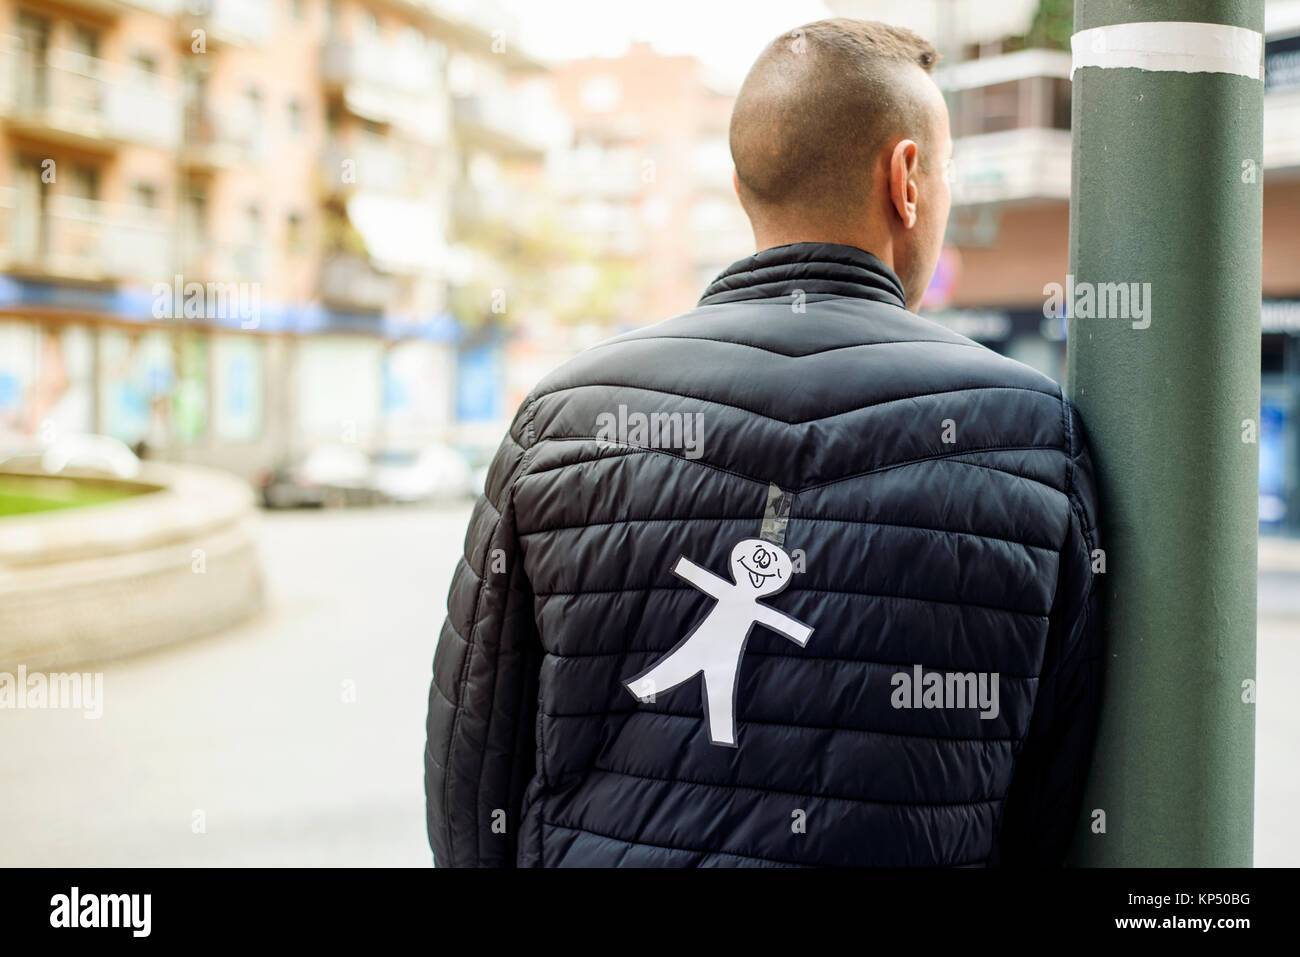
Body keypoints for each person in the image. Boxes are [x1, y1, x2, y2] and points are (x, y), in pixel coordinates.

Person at [425, 18, 1102, 867]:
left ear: (745, 184)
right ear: (907, 181)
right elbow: (1057, 790)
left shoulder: (564, 418)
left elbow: (473, 765)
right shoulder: (1031, 437)